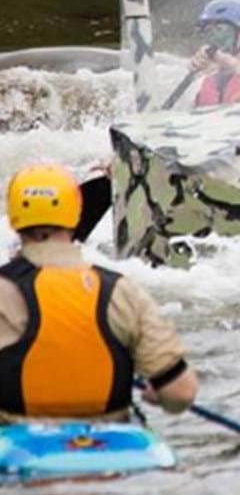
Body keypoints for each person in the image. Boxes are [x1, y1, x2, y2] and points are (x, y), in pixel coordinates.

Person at [1, 164, 200, 423]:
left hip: (16, 441)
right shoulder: (122, 290)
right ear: (76, 214)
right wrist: (159, 395)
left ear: (14, 218)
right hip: (106, 449)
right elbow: (181, 393)